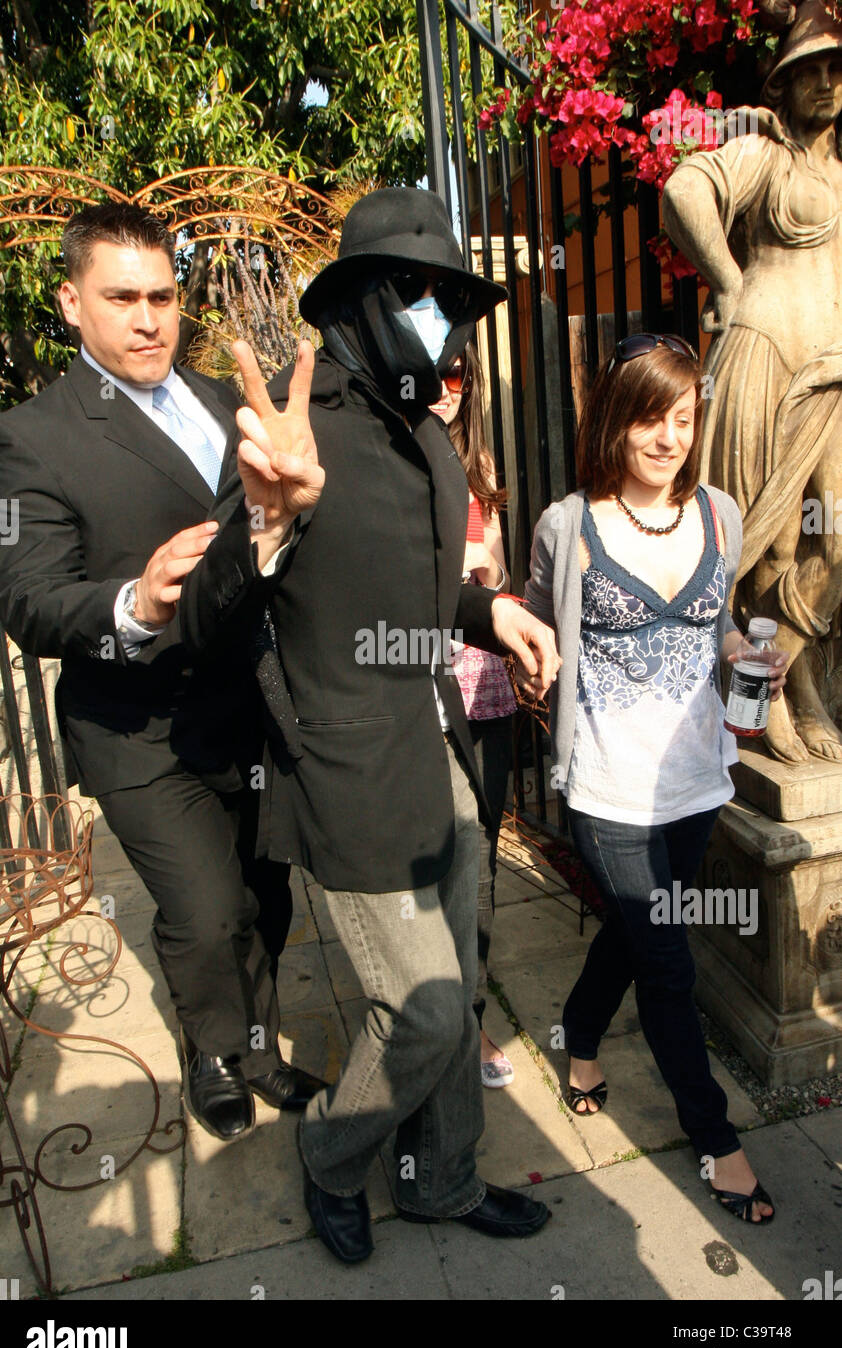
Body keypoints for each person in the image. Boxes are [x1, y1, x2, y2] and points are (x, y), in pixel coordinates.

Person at [177, 185, 561, 1263]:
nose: (438, 314)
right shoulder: (296, 437)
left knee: (458, 977)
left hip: (434, 747)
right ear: (356, 301)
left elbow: (423, 589)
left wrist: (499, 613)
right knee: (422, 1014)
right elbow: (209, 614)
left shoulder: (422, 431)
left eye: (450, 295)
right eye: (416, 290)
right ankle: (333, 1158)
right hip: (343, 777)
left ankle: (439, 1180)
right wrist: (265, 521)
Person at [0, 201, 324, 1145]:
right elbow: (27, 597)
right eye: (121, 297)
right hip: (135, 727)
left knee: (263, 896)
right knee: (205, 911)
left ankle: (258, 1050)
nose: (147, 318)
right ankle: (210, 1053)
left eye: (162, 296)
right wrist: (135, 603)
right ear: (70, 302)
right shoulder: (25, 439)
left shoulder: (226, 401)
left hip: (247, 712)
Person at [524, 333, 787, 1224]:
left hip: (697, 779)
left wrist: (752, 655)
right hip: (607, 787)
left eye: (684, 418)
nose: (669, 437)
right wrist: (535, 662)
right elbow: (535, 623)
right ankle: (716, 1140)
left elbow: (717, 626)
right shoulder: (569, 524)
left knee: (643, 933)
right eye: (650, 417)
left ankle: (582, 1036)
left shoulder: (719, 512)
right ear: (616, 419)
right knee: (671, 964)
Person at [663, 0, 842, 764]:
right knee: (760, 545)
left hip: (833, 372)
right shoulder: (765, 154)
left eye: (838, 68)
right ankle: (769, 702)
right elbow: (681, 191)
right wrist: (728, 282)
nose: (828, 84)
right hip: (764, 354)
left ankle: (792, 681)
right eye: (810, 72)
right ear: (784, 84)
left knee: (831, 541)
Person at [429, 343, 517, 1087]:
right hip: (413, 696)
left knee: (479, 858)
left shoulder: (479, 472)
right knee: (422, 868)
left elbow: (500, 587)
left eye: (457, 373)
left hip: (481, 689)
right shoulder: (378, 467)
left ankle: (474, 1023)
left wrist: (492, 577)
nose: (443, 389)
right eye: (429, 373)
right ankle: (424, 1022)